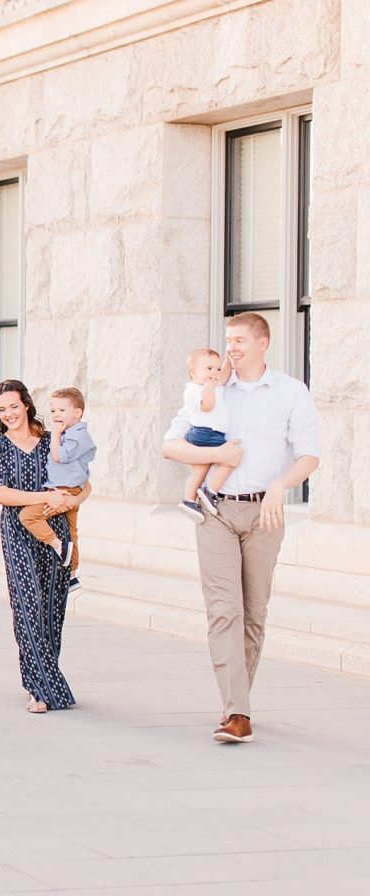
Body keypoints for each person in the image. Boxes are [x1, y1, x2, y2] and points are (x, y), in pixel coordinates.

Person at [161, 313, 319, 744]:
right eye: (228, 340)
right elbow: (170, 446)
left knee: (254, 613)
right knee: (224, 610)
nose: (231, 347)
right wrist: (219, 458)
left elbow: (308, 456)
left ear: (263, 343)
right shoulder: (208, 389)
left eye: (240, 340)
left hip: (266, 514)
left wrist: (279, 487)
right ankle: (236, 712)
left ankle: (237, 701)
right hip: (216, 512)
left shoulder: (290, 392)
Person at [0, 379, 90, 714]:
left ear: (26, 405)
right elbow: (1, 494)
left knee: (52, 611)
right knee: (28, 608)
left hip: (55, 533)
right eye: (2, 409)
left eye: (14, 406)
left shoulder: (51, 442)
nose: (9, 413)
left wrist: (67, 502)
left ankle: (46, 677)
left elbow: (84, 486)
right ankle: (39, 688)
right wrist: (46, 496)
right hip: (17, 532)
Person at [18, 387, 96, 591]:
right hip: (68, 490)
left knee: (28, 517)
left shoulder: (76, 436)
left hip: (65, 491)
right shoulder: (70, 434)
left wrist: (56, 435)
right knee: (72, 532)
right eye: (53, 411)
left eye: (62, 410)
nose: (56, 416)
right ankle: (72, 576)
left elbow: (59, 456)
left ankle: (57, 545)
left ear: (77, 413)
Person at [177, 347, 237, 523]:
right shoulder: (194, 390)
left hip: (211, 434)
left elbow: (224, 375)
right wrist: (209, 387)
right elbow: (207, 406)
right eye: (208, 369)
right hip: (204, 434)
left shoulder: (212, 384)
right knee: (230, 459)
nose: (214, 373)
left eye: (216, 368)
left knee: (202, 470)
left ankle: (194, 498)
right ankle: (207, 492)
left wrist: (227, 360)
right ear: (194, 372)